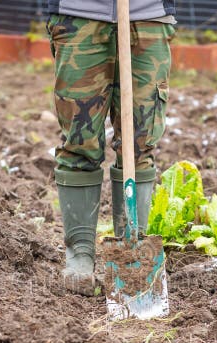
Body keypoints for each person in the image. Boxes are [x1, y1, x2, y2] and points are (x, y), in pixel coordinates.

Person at [46, 0, 176, 295]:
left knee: (141, 141)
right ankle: (79, 253)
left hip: (148, 15)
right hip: (80, 13)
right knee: (80, 140)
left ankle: (132, 249)